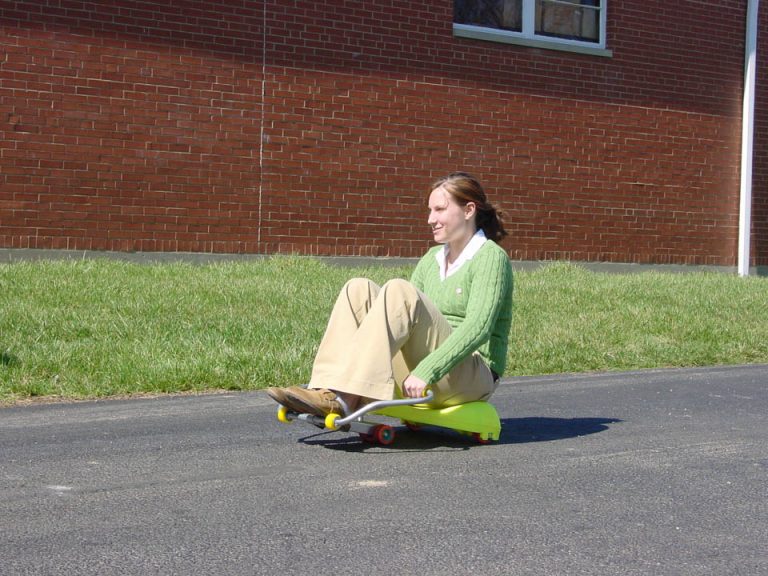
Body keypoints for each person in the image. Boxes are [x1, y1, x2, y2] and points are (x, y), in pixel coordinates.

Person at [266, 172, 513, 417]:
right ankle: (327, 389)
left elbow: (478, 328)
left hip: (472, 375)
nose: (430, 219)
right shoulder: (432, 260)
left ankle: (345, 400)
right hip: (430, 371)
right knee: (358, 289)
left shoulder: (490, 258)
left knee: (399, 290)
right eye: (429, 211)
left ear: (469, 211)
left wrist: (427, 370)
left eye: (439, 210)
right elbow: (406, 319)